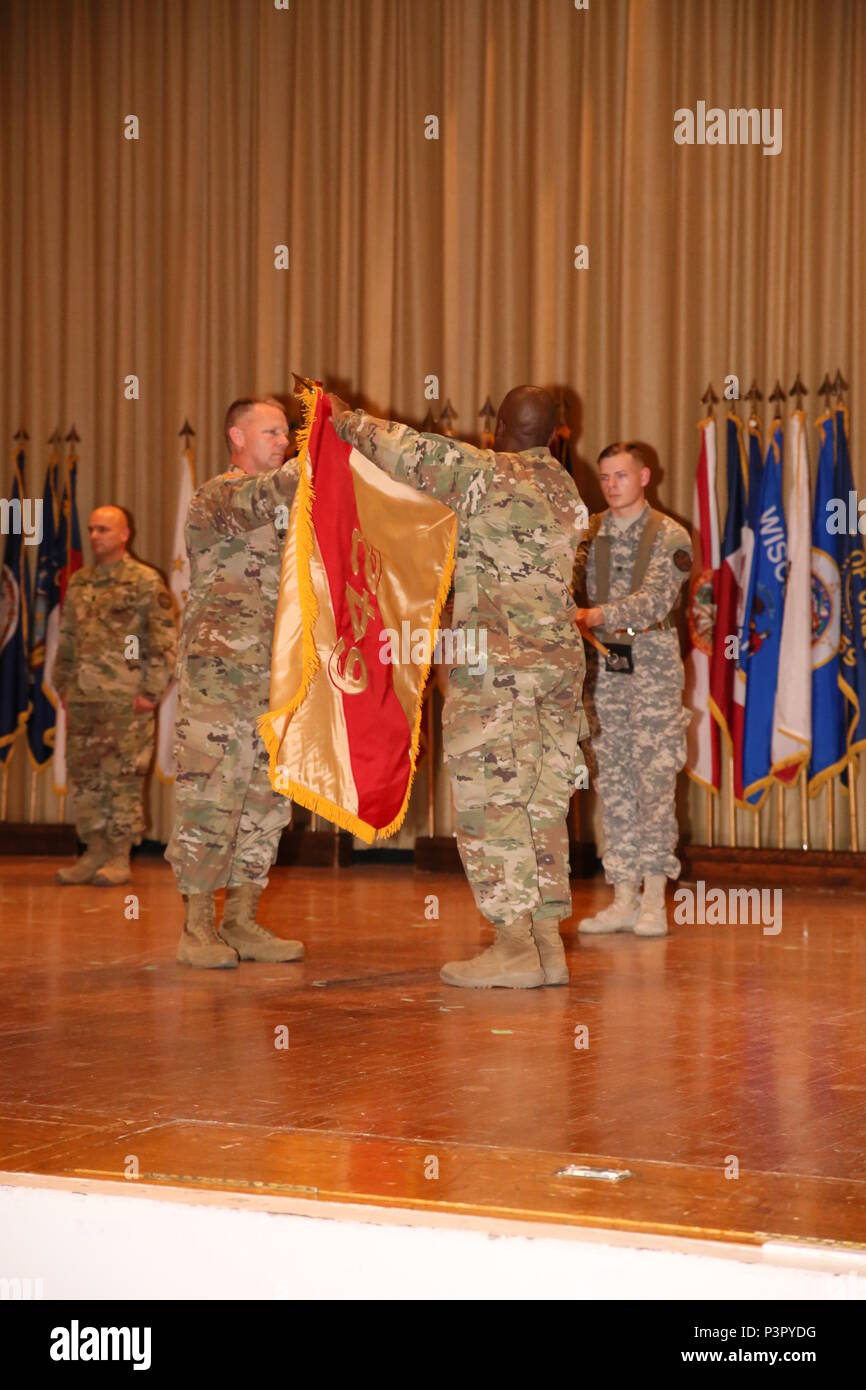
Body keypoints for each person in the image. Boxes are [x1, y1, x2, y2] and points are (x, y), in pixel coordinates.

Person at [327, 386, 588, 989]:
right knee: (542, 805)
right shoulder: (565, 490)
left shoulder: (484, 471)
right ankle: (546, 945)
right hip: (558, 667)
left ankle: (513, 948)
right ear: (555, 433)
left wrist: (347, 421)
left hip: (496, 667)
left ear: (497, 425)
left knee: (492, 803)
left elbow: (406, 450)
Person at [165, 397, 305, 969]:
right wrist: (323, 446)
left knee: (265, 801)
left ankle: (242, 920)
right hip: (219, 678)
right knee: (210, 795)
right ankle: (197, 927)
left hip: (274, 679)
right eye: (272, 431)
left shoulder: (292, 505)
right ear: (236, 437)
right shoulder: (220, 495)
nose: (283, 441)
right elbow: (268, 494)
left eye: (288, 434)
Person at [572, 442, 692, 937]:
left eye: (620, 475)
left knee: (655, 780)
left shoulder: (671, 535)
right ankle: (622, 894)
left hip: (653, 667)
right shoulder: (589, 531)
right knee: (613, 781)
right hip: (604, 668)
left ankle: (654, 900)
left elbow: (656, 599)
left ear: (645, 476)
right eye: (604, 477)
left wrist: (598, 614)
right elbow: (568, 583)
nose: (611, 485)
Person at [53, 506, 177, 886]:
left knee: (122, 779)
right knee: (86, 778)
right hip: (84, 698)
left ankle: (119, 857)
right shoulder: (80, 583)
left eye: (103, 529)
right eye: (91, 529)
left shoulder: (144, 581)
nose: (94, 536)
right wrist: (64, 688)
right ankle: (92, 853)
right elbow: (69, 640)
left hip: (126, 701)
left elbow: (162, 641)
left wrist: (150, 691)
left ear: (124, 534)